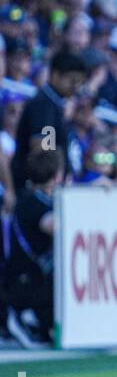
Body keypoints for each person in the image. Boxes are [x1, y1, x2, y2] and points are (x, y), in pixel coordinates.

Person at [5, 147, 61, 349]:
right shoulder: (33, 202)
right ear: (56, 175)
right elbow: (52, 225)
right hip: (25, 281)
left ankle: (39, 321)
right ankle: (27, 316)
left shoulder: (34, 198)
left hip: (30, 277)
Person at [11, 48, 87, 189]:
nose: (76, 87)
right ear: (56, 75)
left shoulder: (53, 104)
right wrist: (51, 179)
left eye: (79, 82)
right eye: (72, 80)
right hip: (37, 187)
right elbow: (43, 148)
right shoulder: (44, 105)